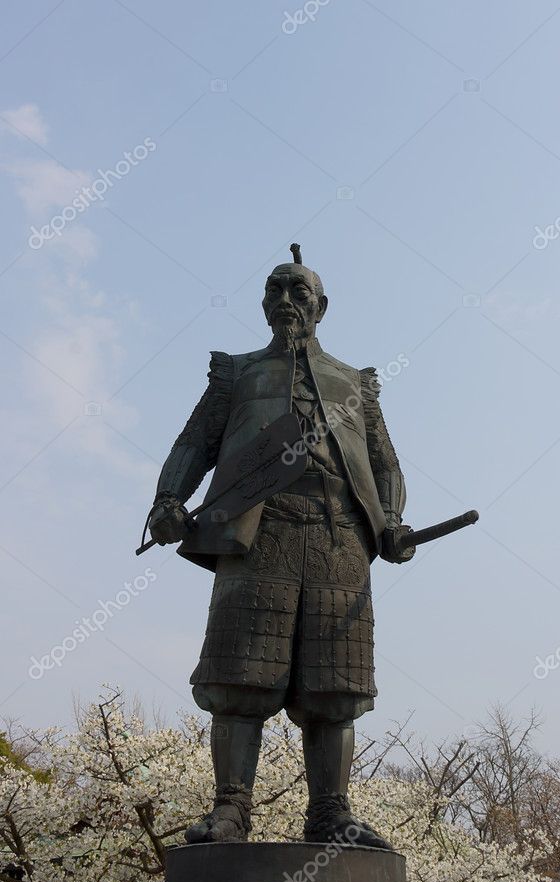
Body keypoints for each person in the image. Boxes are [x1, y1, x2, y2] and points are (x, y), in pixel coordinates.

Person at [147, 244, 415, 847]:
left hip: (337, 538)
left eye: (299, 291)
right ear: (263, 302)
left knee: (334, 686)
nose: (286, 300)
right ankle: (230, 811)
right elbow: (194, 444)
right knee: (240, 679)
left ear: (322, 306)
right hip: (256, 537)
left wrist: (394, 519)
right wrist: (168, 501)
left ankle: (331, 815)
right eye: (276, 290)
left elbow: (385, 464)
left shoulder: (355, 384)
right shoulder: (237, 373)